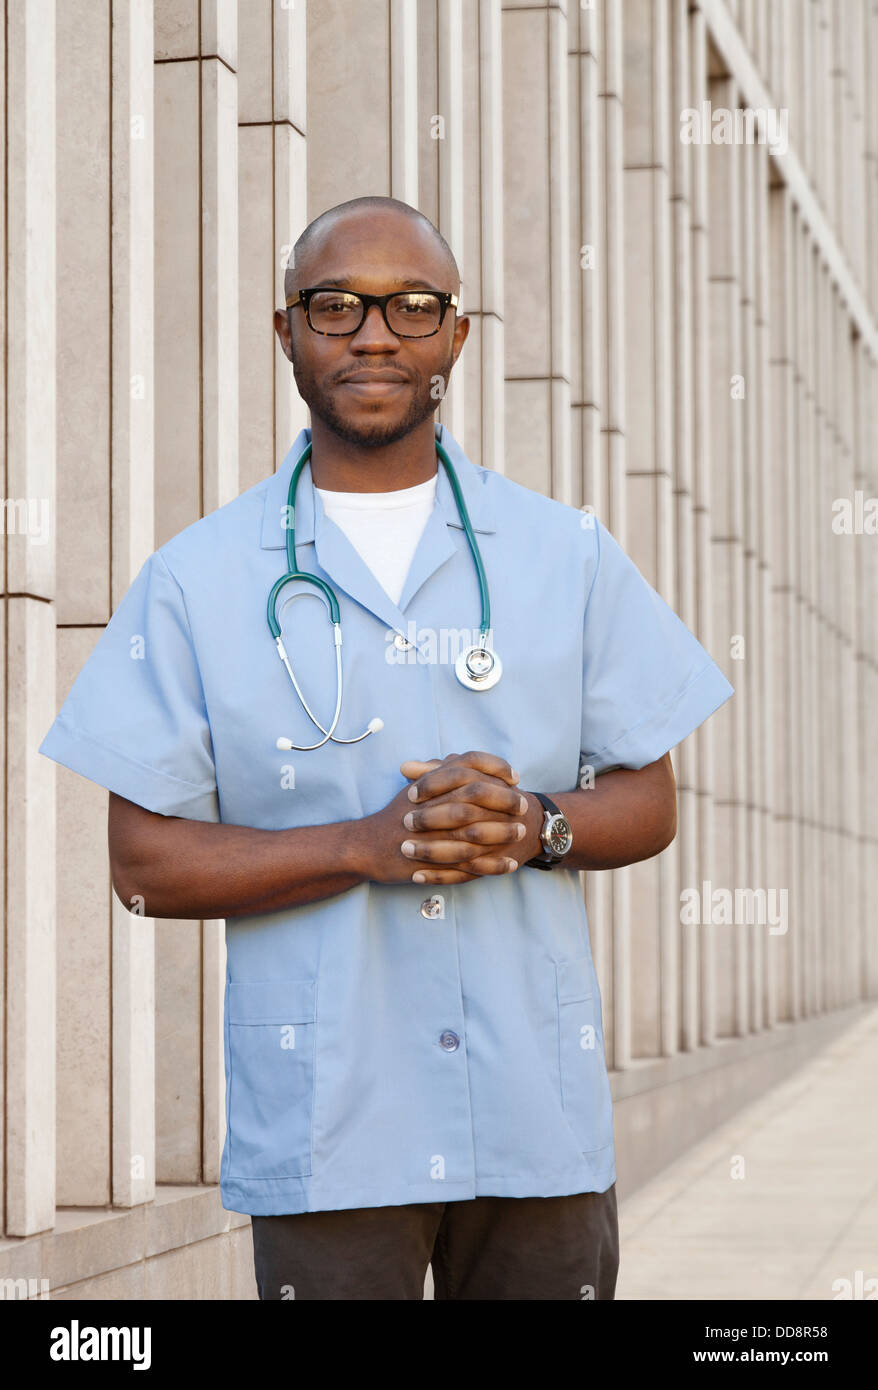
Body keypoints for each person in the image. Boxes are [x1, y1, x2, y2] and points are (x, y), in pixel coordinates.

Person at [39, 195, 734, 1300]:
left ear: (454, 335)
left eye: (411, 306)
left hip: (533, 1124)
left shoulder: (567, 554)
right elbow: (144, 864)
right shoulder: (197, 578)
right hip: (330, 1134)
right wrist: (365, 845)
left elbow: (649, 800)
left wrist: (533, 826)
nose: (373, 334)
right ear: (287, 334)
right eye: (336, 306)